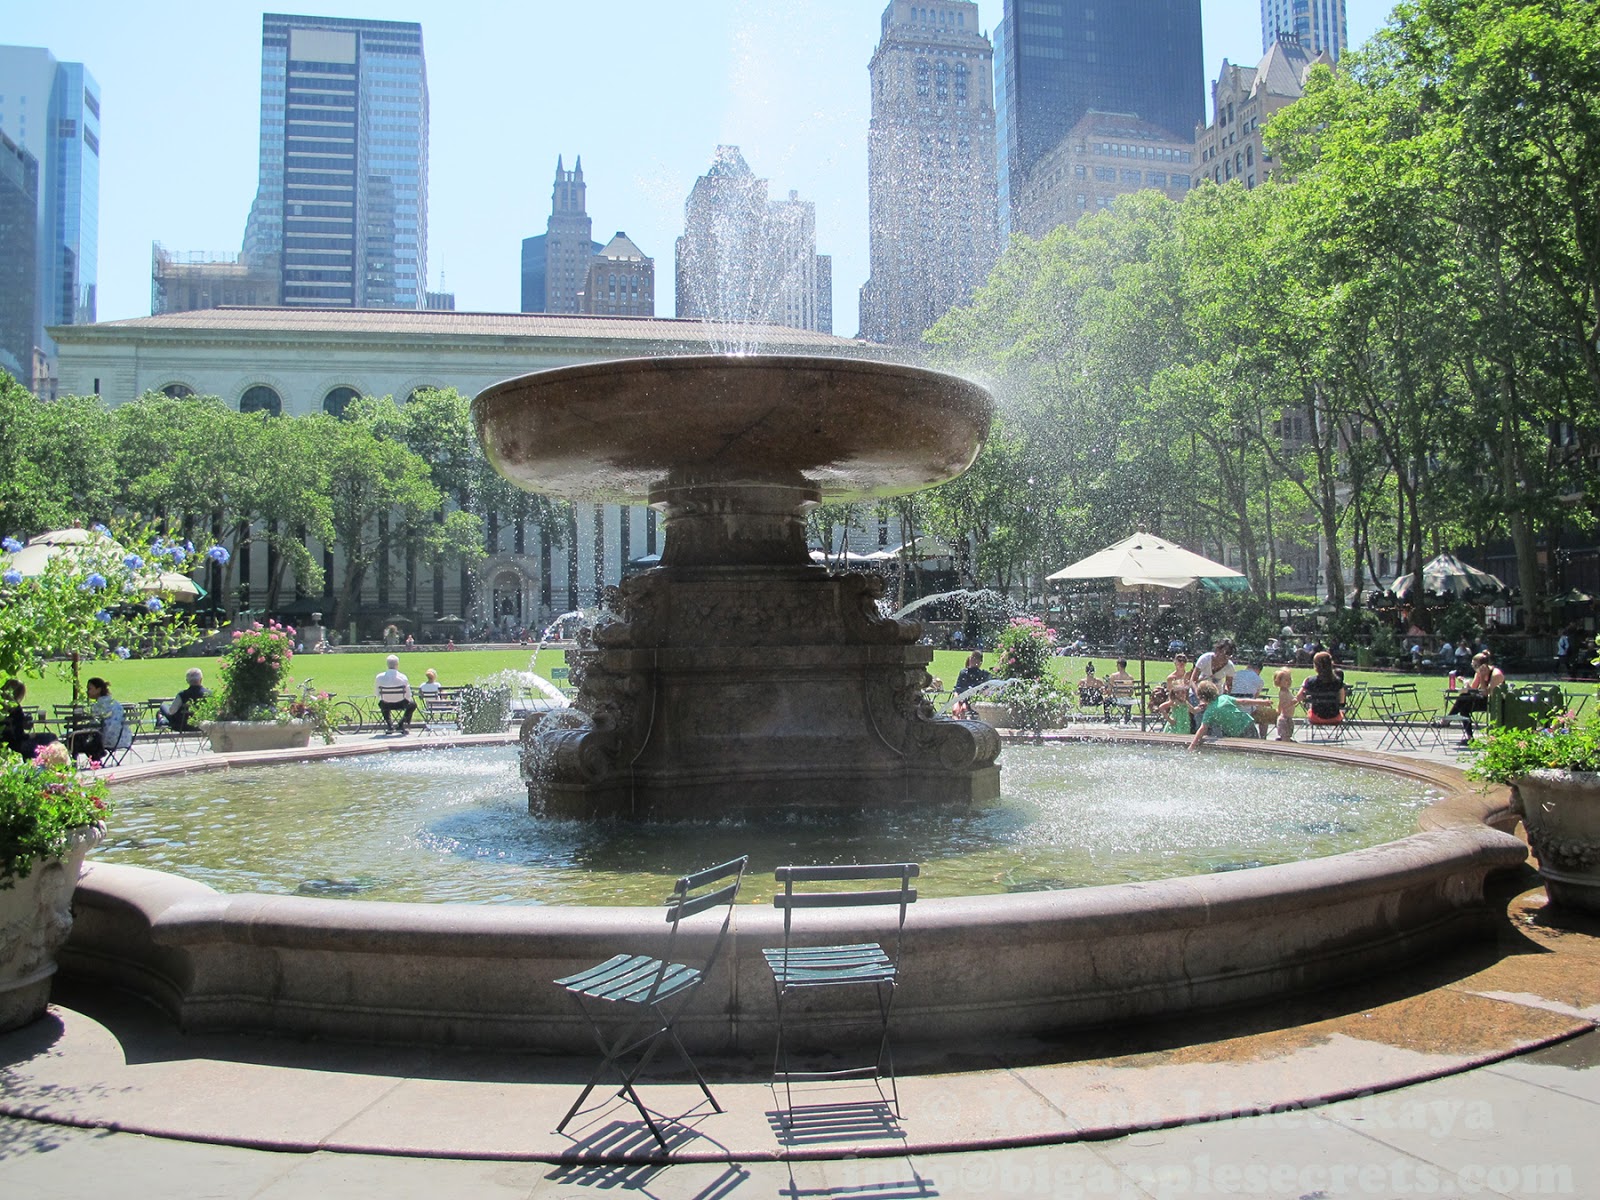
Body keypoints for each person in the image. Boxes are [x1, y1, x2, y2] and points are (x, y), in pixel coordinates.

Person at [1448, 651, 1504, 746]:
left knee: (1464, 699)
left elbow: (1487, 693)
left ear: (1484, 666)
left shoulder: (1496, 674)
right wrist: (1465, 682)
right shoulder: (1479, 673)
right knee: (1464, 705)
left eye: (1475, 666)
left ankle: (1447, 719)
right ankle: (1469, 737)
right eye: (1473, 665)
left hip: (1496, 703)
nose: (1474, 668)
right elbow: (1473, 689)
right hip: (1485, 701)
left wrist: (1482, 677)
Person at [69, 677, 131, 764]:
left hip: (105, 739)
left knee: (77, 739)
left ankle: (87, 760)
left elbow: (94, 725)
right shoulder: (115, 703)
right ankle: (95, 759)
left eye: (89, 689)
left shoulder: (99, 706)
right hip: (123, 738)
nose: (87, 691)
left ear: (98, 689)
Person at [1187, 680, 1260, 750]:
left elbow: (1202, 729)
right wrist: (1261, 702)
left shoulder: (1209, 711)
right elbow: (1243, 701)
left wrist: (1192, 745)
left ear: (1201, 697)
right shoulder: (1224, 698)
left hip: (1237, 732)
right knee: (1256, 747)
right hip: (1247, 723)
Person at [2, 680, 56, 759]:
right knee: (51, 737)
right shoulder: (16, 709)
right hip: (16, 745)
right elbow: (18, 735)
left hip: (5, 742)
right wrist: (30, 735)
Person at [1296, 651, 1348, 732]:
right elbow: (1341, 701)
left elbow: (1299, 697)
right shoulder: (1338, 682)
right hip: (1335, 717)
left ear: (1316, 666)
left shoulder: (1310, 681)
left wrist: (1304, 684)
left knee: (1310, 710)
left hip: (1316, 717)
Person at [374, 654, 417, 735]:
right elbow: (408, 695)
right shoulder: (403, 677)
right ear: (397, 665)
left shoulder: (379, 677)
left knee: (382, 702)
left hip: (386, 704)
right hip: (401, 704)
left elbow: (377, 693)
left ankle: (390, 725)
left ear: (387, 664)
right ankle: (401, 724)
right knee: (413, 704)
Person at [162, 667, 210, 733]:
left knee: (163, 706)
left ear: (187, 681)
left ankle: (162, 721)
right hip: (204, 725)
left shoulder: (182, 695)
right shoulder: (209, 694)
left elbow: (172, 711)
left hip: (182, 726)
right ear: (201, 679)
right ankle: (163, 721)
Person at [1271, 667, 1298, 742]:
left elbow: (1280, 705)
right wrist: (1293, 701)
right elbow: (1283, 705)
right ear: (1279, 682)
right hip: (1284, 719)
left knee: (1288, 736)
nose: (1289, 682)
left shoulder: (1287, 692)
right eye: (1286, 680)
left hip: (1289, 718)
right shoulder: (1282, 693)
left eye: (1290, 679)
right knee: (1285, 738)